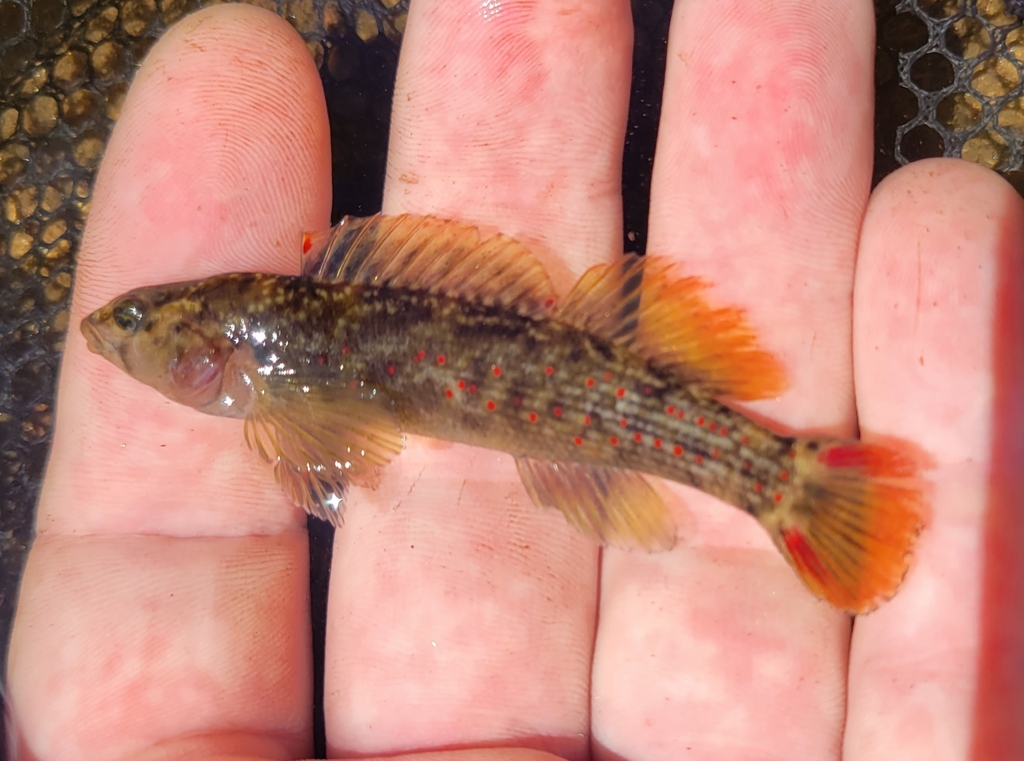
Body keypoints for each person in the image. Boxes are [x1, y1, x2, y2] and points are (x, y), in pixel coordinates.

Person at [6, 2, 1022, 759]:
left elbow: (331, 452)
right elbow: (337, 443)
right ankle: (785, 482)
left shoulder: (263, 376)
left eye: (134, 322)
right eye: (129, 319)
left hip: (564, 387)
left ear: (203, 345)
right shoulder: (268, 368)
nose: (111, 331)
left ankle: (790, 485)